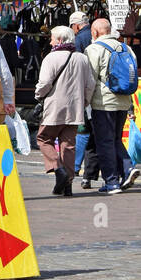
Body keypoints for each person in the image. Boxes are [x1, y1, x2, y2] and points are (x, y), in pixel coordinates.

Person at [34, 26, 95, 197]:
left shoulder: (51, 58)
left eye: (52, 38)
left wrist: (38, 95)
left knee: (43, 138)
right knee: (68, 146)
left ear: (60, 40)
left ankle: (58, 168)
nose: (50, 42)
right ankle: (67, 185)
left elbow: (44, 83)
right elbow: (90, 84)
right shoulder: (82, 58)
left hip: (54, 108)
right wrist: (84, 101)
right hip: (75, 108)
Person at [86, 17, 139, 194]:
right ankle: (127, 169)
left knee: (104, 142)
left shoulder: (94, 49)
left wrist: (85, 101)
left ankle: (112, 182)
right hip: (123, 100)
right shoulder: (126, 48)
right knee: (116, 139)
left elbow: (90, 79)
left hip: (103, 102)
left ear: (94, 32)